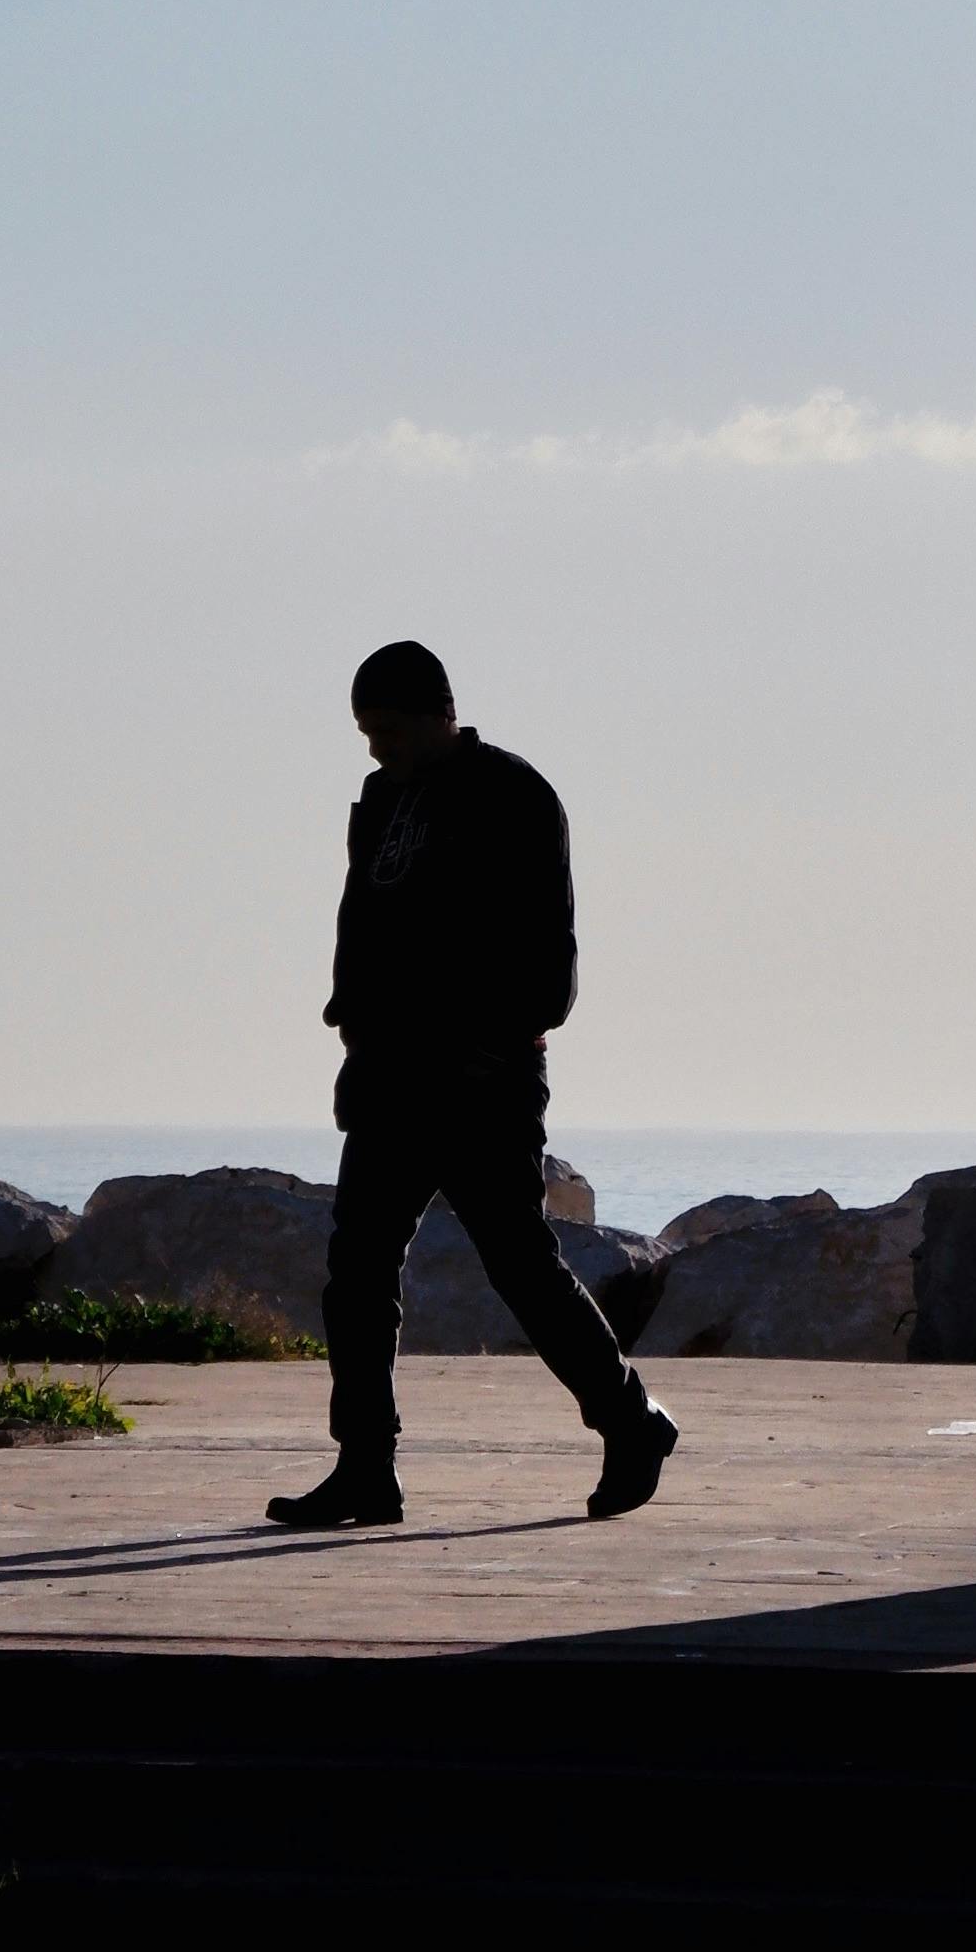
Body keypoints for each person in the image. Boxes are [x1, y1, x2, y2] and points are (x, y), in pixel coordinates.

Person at [265, 636, 678, 1534]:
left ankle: (630, 1421)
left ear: (435, 712)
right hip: (390, 1079)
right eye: (363, 733)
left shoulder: (515, 795)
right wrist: (354, 1033)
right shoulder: (379, 801)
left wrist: (486, 1049)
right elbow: (360, 930)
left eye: (385, 729)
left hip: (482, 1080)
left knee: (521, 1269)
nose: (374, 748)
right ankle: (366, 1468)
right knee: (358, 1272)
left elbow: (551, 966)